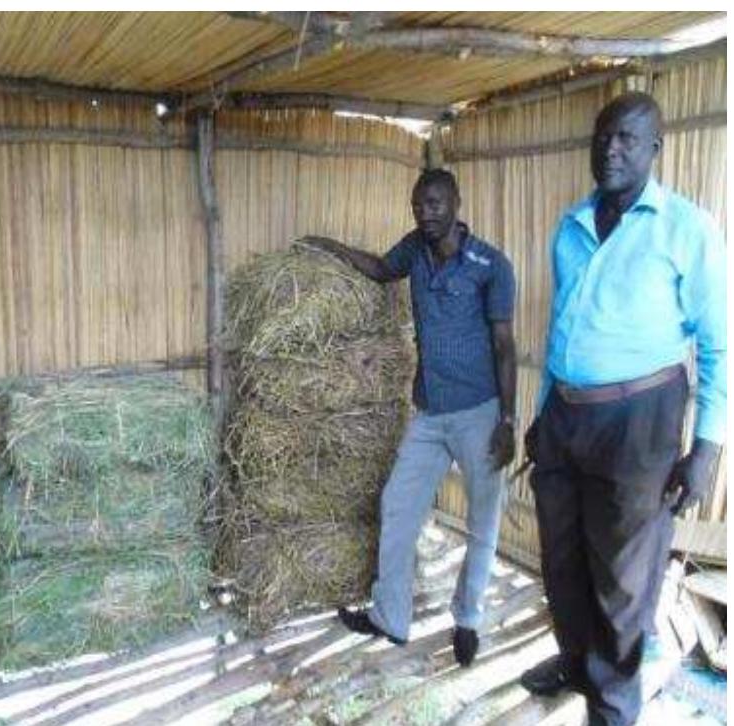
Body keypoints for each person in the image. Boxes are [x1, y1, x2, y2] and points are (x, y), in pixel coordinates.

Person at [520, 92, 726, 726]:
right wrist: (542, 414)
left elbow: (719, 345)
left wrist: (706, 450)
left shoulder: (685, 228)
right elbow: (563, 330)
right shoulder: (572, 225)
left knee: (623, 579)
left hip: (640, 420)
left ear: (655, 149)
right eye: (603, 137)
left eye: (627, 139)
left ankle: (612, 706)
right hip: (566, 416)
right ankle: (577, 661)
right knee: (562, 560)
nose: (610, 149)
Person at [301, 168, 518, 666]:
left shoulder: (491, 265)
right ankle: (390, 617)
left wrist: (508, 420)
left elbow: (505, 347)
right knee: (397, 505)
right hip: (429, 414)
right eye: (418, 205)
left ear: (457, 203)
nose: (426, 213)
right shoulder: (415, 249)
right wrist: (331, 247)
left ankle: (468, 618)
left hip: (480, 414)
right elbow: (381, 269)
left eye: (435, 204)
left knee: (483, 521)